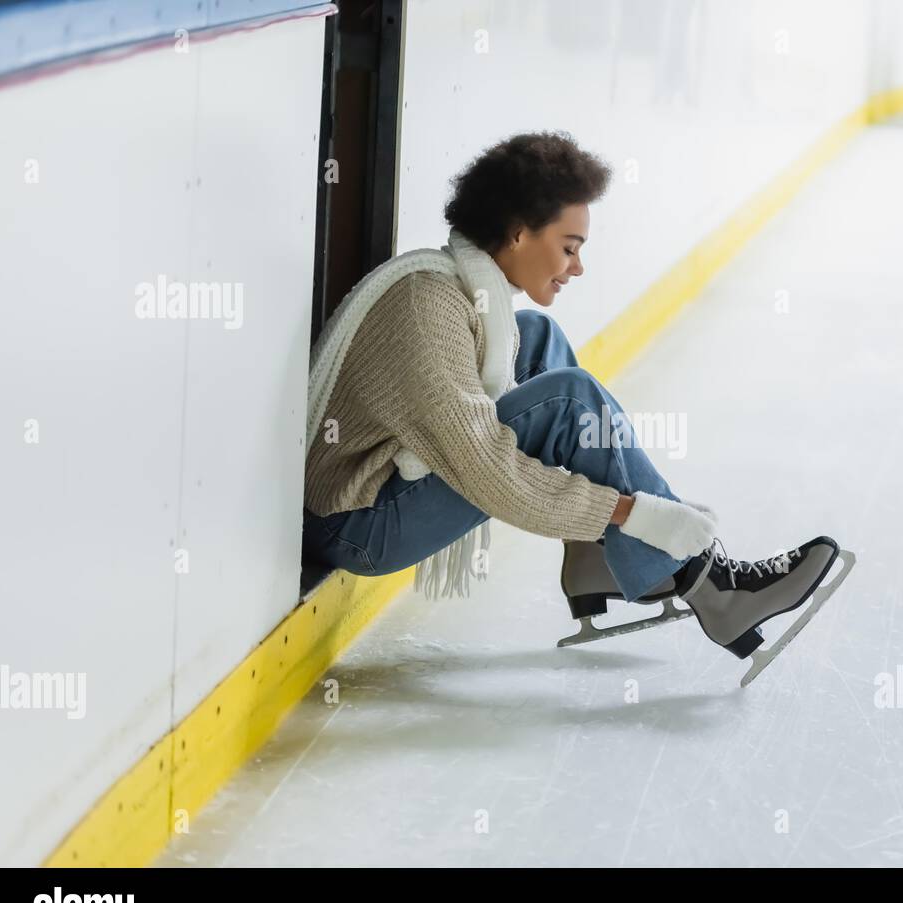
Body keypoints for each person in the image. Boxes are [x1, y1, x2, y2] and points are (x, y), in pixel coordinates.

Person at [302, 131, 845, 665]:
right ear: (518, 234)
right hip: (356, 524)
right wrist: (630, 513)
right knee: (571, 401)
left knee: (538, 340)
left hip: (380, 497)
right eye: (569, 248)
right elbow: (486, 469)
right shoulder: (429, 310)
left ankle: (593, 561)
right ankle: (717, 592)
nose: (577, 267)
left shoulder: (458, 291)